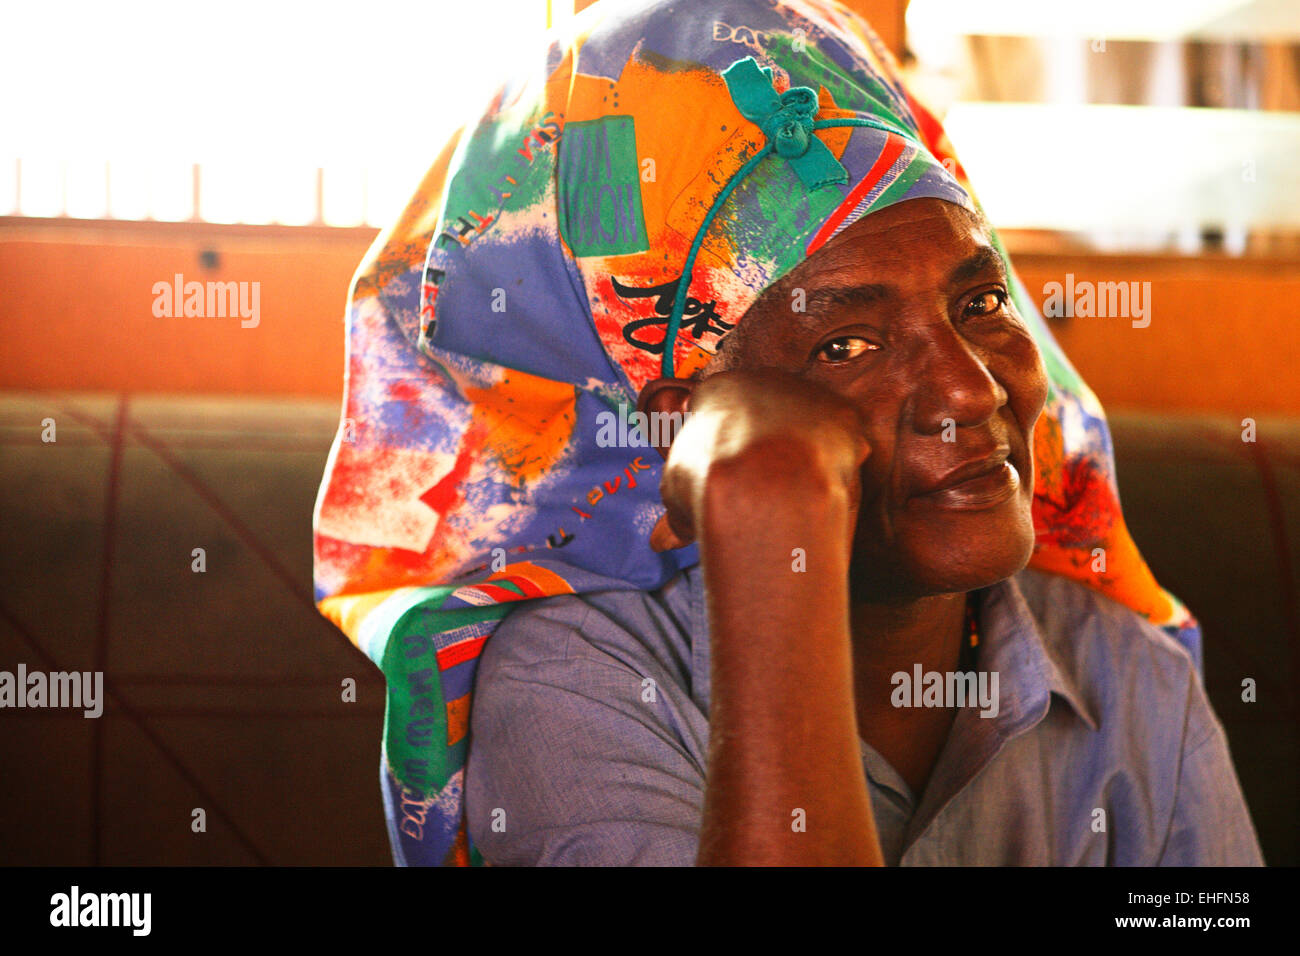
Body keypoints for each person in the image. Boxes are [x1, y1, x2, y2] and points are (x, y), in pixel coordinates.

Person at [312, 0, 1263, 866]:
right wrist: (769, 521)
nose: (972, 392)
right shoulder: (571, 683)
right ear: (687, 424)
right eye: (849, 342)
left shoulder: (1125, 678)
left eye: (980, 302)